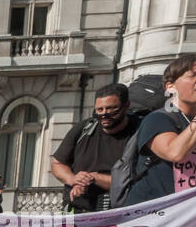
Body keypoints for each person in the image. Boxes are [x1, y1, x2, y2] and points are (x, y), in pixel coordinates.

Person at [123, 55, 196, 206]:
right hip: (158, 213)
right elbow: (175, 153)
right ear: (171, 87)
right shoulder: (158, 119)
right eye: (193, 74)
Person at [50, 83, 139, 212]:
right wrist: (74, 180)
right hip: (76, 214)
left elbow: (134, 182)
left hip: (118, 217)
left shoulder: (139, 132)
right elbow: (57, 164)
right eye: (99, 109)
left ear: (126, 106)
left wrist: (94, 178)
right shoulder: (83, 129)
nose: (104, 114)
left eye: (111, 109)